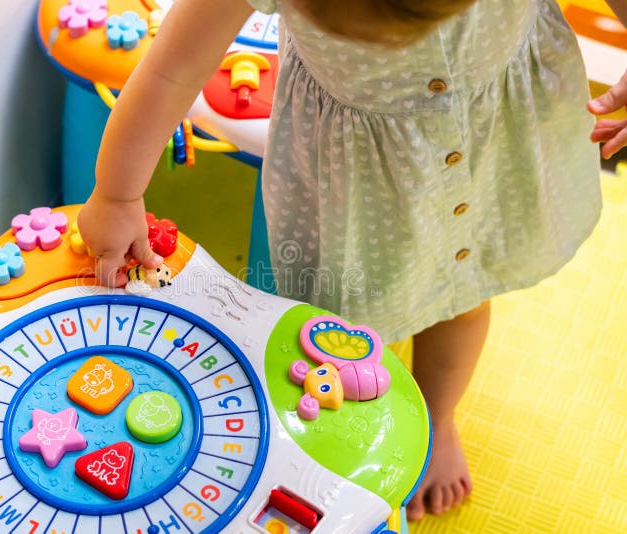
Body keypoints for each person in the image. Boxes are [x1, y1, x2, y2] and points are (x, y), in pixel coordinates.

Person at [77, 0, 627, 521]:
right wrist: (117, 194)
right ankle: (344, 442)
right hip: (361, 178)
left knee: (464, 292)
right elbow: (170, 70)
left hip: (494, 134)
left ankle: (437, 416)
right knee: (336, 332)